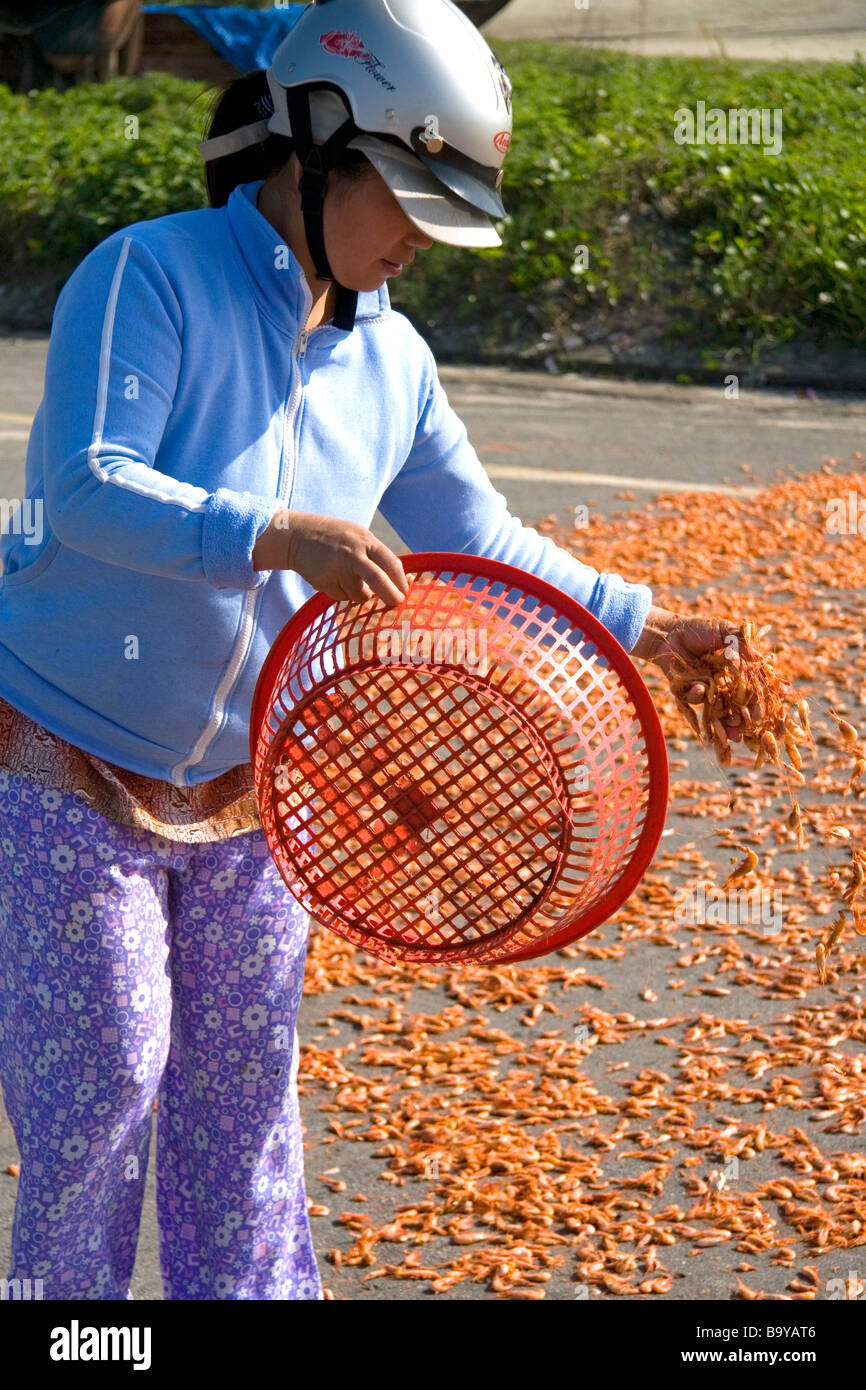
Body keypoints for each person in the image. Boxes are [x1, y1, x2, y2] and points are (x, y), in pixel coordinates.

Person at [0, 0, 741, 1301]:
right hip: (66, 764)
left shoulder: (391, 363)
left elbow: (482, 534)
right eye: (402, 199)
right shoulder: (147, 277)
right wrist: (276, 533)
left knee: (244, 1112)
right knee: (107, 1091)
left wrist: (646, 622)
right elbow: (88, 486)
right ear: (313, 142)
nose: (413, 241)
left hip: (251, 796)